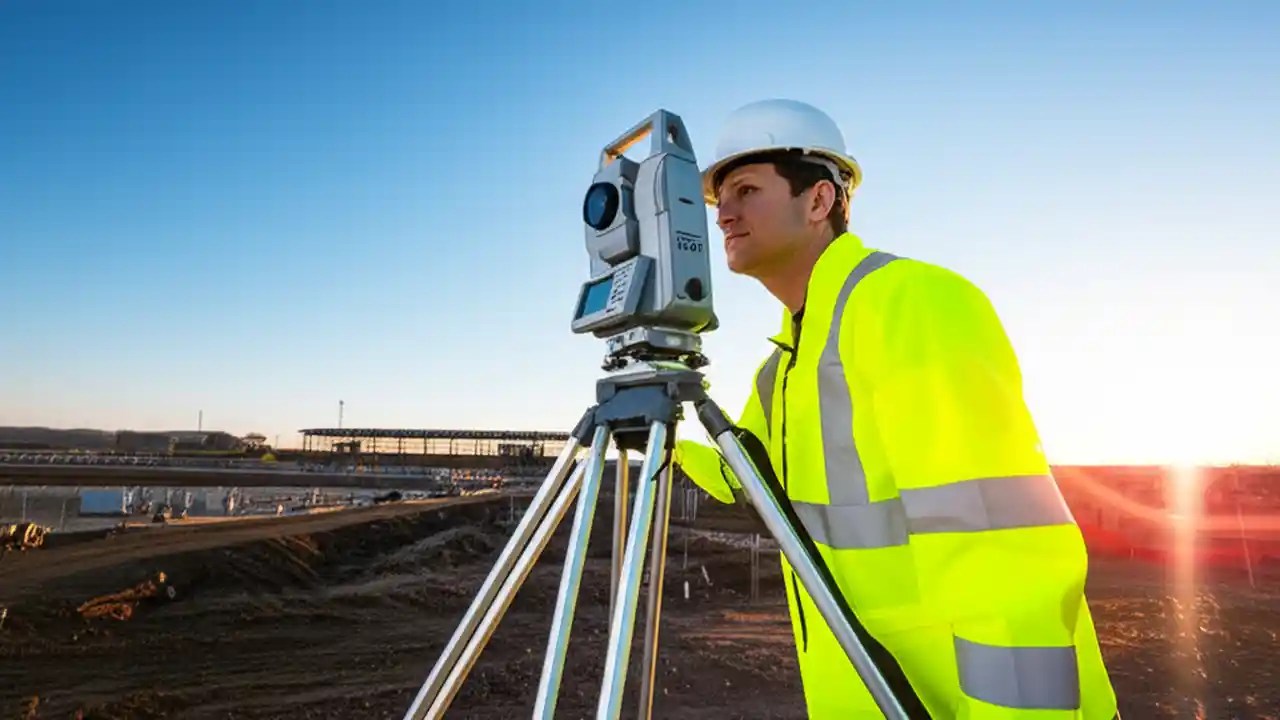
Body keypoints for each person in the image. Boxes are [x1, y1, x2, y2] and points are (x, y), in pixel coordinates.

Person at [673, 99, 1118, 719]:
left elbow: (1001, 552)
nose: (724, 215)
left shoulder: (910, 305)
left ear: (820, 200)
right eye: (722, 200)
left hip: (954, 703)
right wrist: (662, 442)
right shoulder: (783, 368)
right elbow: (744, 474)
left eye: (746, 190)